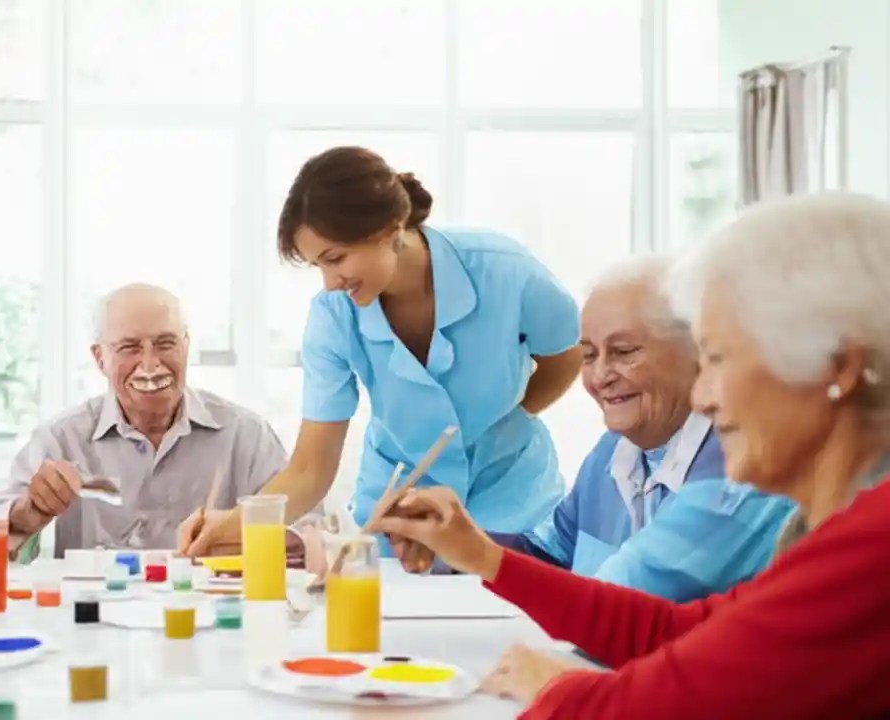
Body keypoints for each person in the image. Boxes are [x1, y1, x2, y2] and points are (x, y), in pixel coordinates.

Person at [373, 192, 890, 718]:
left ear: (837, 368)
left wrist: (555, 689)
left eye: (718, 359)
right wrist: (481, 554)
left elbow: (659, 703)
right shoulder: (830, 531)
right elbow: (673, 630)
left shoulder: (873, 542)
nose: (704, 396)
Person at [180, 146, 582, 556]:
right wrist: (230, 526)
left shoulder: (505, 270)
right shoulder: (333, 316)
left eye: (335, 259)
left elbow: (566, 355)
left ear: (389, 228)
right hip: (401, 512)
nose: (330, 282)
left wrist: (505, 418)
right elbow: (310, 469)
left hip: (511, 496)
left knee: (515, 611)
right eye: (318, 265)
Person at [483, 256, 793, 601]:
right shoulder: (614, 450)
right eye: (588, 355)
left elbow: (620, 601)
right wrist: (450, 541)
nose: (600, 377)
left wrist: (476, 553)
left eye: (623, 352)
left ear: (699, 352)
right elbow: (548, 553)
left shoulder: (737, 465)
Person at [0, 283, 288, 558]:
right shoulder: (62, 438)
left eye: (166, 344)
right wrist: (29, 513)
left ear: (186, 346)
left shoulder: (246, 434)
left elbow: (306, 529)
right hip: (91, 618)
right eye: (129, 348)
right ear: (100, 359)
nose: (150, 365)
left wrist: (244, 529)